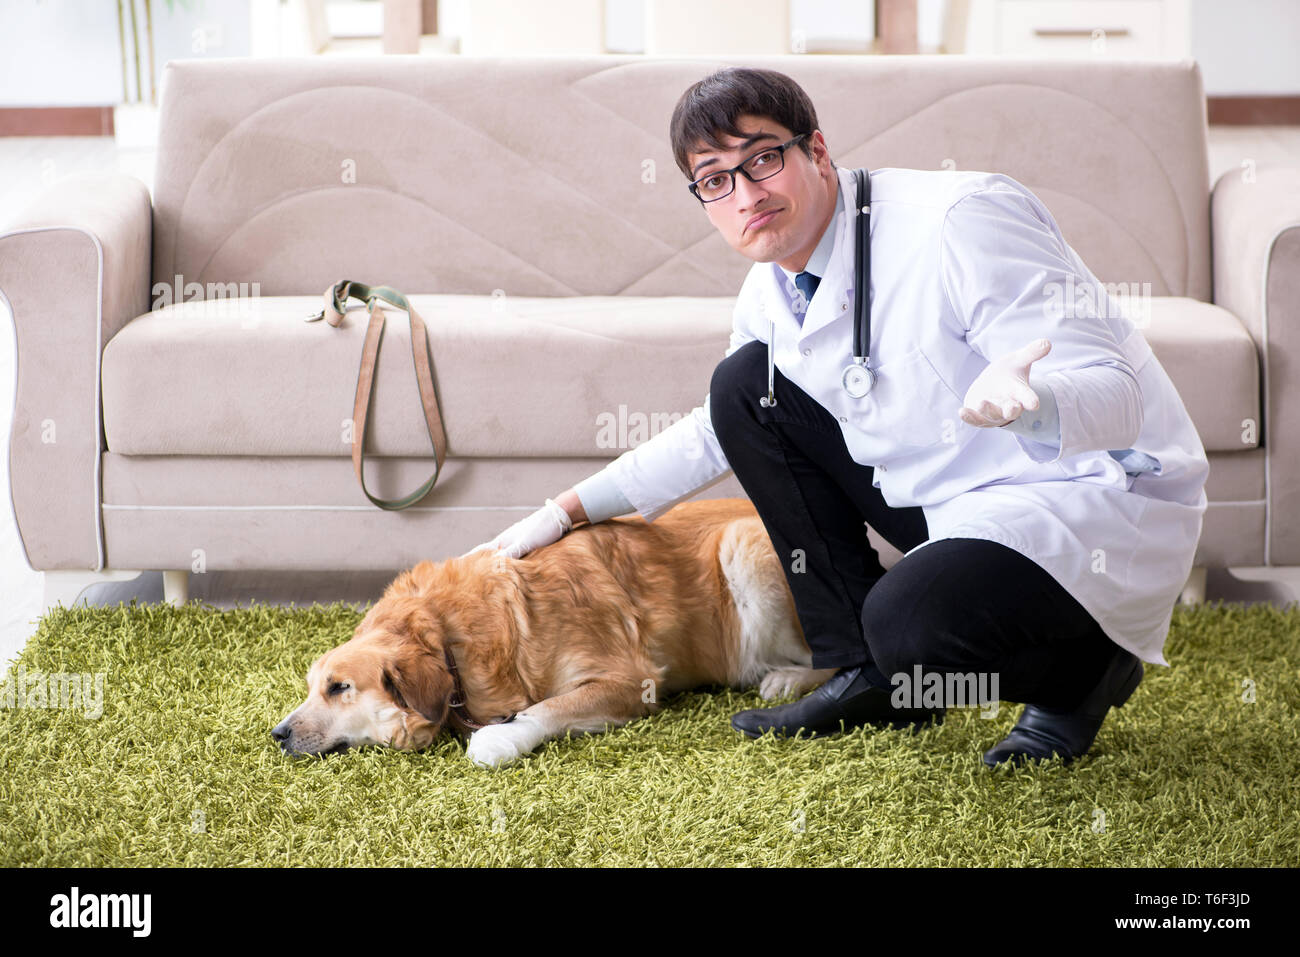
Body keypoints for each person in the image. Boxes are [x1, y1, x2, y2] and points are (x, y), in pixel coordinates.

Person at [466, 67, 1208, 769]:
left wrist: (1039, 403)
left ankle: (1082, 675)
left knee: (911, 626)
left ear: (816, 150)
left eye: (761, 160)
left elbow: (1118, 395)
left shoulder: (961, 219)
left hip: (1084, 489)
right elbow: (711, 431)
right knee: (743, 389)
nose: (745, 194)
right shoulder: (770, 288)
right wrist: (563, 511)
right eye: (715, 181)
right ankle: (865, 670)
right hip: (956, 494)